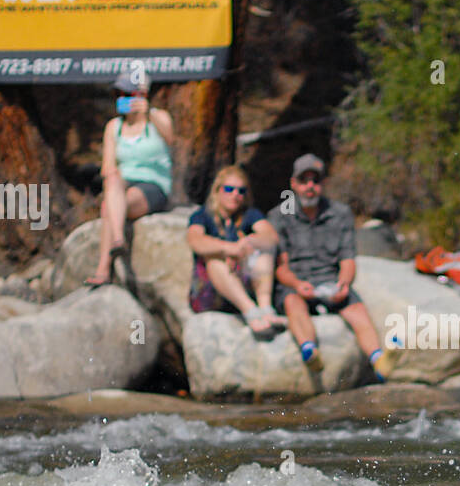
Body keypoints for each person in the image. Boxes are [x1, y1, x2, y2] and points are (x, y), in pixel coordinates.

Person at [268, 154, 397, 380]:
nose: (310, 186)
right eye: (304, 180)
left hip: (330, 280)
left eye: (315, 181)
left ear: (322, 184)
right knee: (292, 302)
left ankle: (378, 360)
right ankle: (310, 350)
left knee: (355, 308)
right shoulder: (280, 216)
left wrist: (344, 283)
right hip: (297, 284)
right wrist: (298, 285)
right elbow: (280, 268)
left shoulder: (340, 214)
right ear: (293, 184)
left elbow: (347, 259)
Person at [86, 70, 173, 286]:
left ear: (141, 94)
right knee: (112, 183)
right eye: (118, 93)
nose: (121, 98)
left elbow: (171, 139)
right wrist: (112, 177)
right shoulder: (113, 127)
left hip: (153, 184)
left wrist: (148, 113)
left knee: (110, 208)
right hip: (122, 184)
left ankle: (103, 270)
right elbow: (107, 166)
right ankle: (118, 239)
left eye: (127, 93)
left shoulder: (158, 118)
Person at [186, 164, 284, 338]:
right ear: (217, 190)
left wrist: (247, 243)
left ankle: (265, 307)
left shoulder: (249, 215)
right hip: (211, 292)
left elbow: (271, 237)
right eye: (229, 189)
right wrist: (229, 249)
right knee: (214, 259)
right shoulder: (202, 215)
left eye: (241, 191)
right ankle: (251, 312)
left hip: (243, 281)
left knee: (263, 251)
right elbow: (196, 241)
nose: (235, 195)